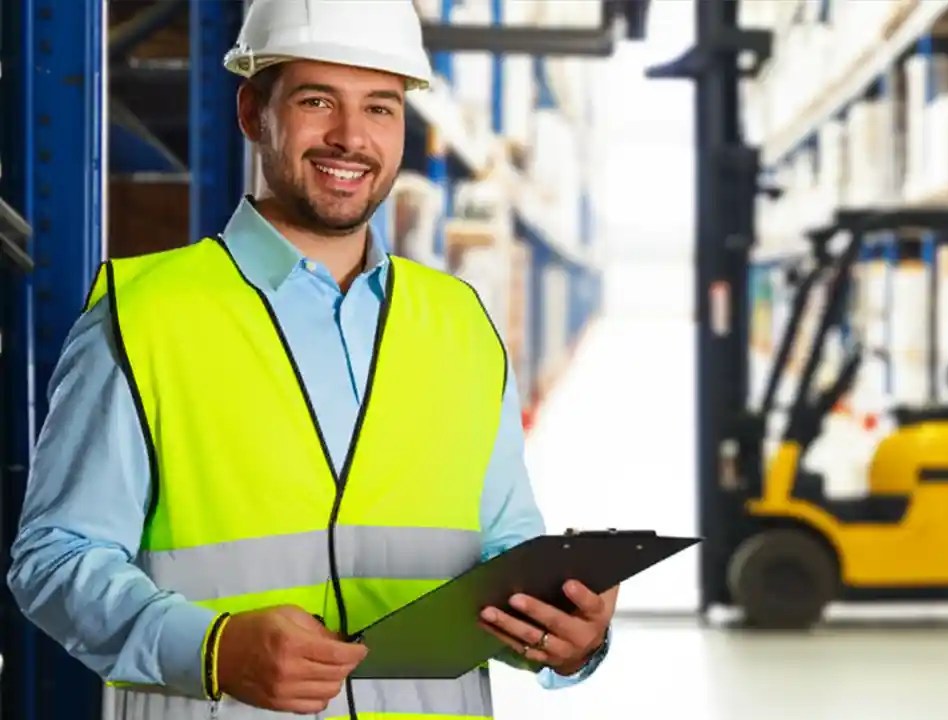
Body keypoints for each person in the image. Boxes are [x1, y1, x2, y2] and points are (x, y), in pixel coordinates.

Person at [5, 0, 616, 717]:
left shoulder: (461, 323)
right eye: (317, 101)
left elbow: (504, 548)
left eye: (380, 107)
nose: (351, 137)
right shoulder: (144, 317)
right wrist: (210, 648)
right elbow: (54, 559)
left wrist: (563, 635)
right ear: (252, 112)